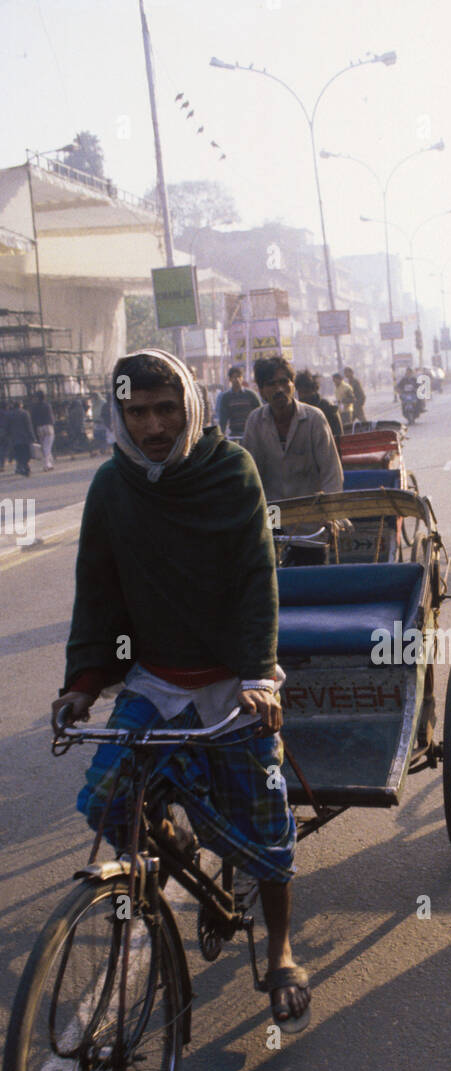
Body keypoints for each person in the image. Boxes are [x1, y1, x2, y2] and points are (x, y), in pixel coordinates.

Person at [50, 349, 310, 1031]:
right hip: (156, 678)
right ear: (121, 415)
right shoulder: (113, 486)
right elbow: (97, 591)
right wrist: (82, 685)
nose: (154, 425)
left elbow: (258, 577)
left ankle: (281, 951)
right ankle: (175, 845)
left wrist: (258, 676)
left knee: (267, 827)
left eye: (166, 409)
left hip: (233, 683)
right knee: (109, 802)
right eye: (138, 412)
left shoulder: (230, 471)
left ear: (189, 405)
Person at [243, 355, 343, 504]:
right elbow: (250, 475)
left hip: (312, 513)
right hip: (273, 513)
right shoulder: (255, 421)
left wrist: (331, 513)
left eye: (284, 382)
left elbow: (331, 472)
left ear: (293, 385)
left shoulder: (314, 418)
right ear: (262, 391)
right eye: (271, 384)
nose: (279, 389)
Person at [294, 369, 343, 452]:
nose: (303, 396)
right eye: (300, 392)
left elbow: (338, 436)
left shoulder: (327, 407)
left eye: (306, 392)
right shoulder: (298, 409)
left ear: (315, 389)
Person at [218, 365, 261, 441]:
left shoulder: (251, 395)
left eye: (239, 376)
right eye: (234, 377)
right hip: (234, 434)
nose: (237, 379)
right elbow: (223, 419)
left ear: (242, 378)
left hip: (250, 433)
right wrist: (221, 435)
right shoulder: (226, 397)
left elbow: (260, 413)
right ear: (230, 379)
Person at [7, 400, 36, 476]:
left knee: (19, 454)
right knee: (26, 454)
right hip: (24, 438)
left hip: (15, 438)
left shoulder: (10, 414)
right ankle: (25, 467)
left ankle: (21, 467)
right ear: (20, 405)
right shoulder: (25, 413)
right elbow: (29, 426)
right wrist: (32, 437)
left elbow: (8, 427)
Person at [30, 390, 55, 470]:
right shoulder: (47, 405)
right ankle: (47, 464)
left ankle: (49, 463)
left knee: (44, 446)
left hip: (39, 427)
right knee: (47, 446)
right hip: (48, 426)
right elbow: (51, 417)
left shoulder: (34, 407)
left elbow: (33, 419)